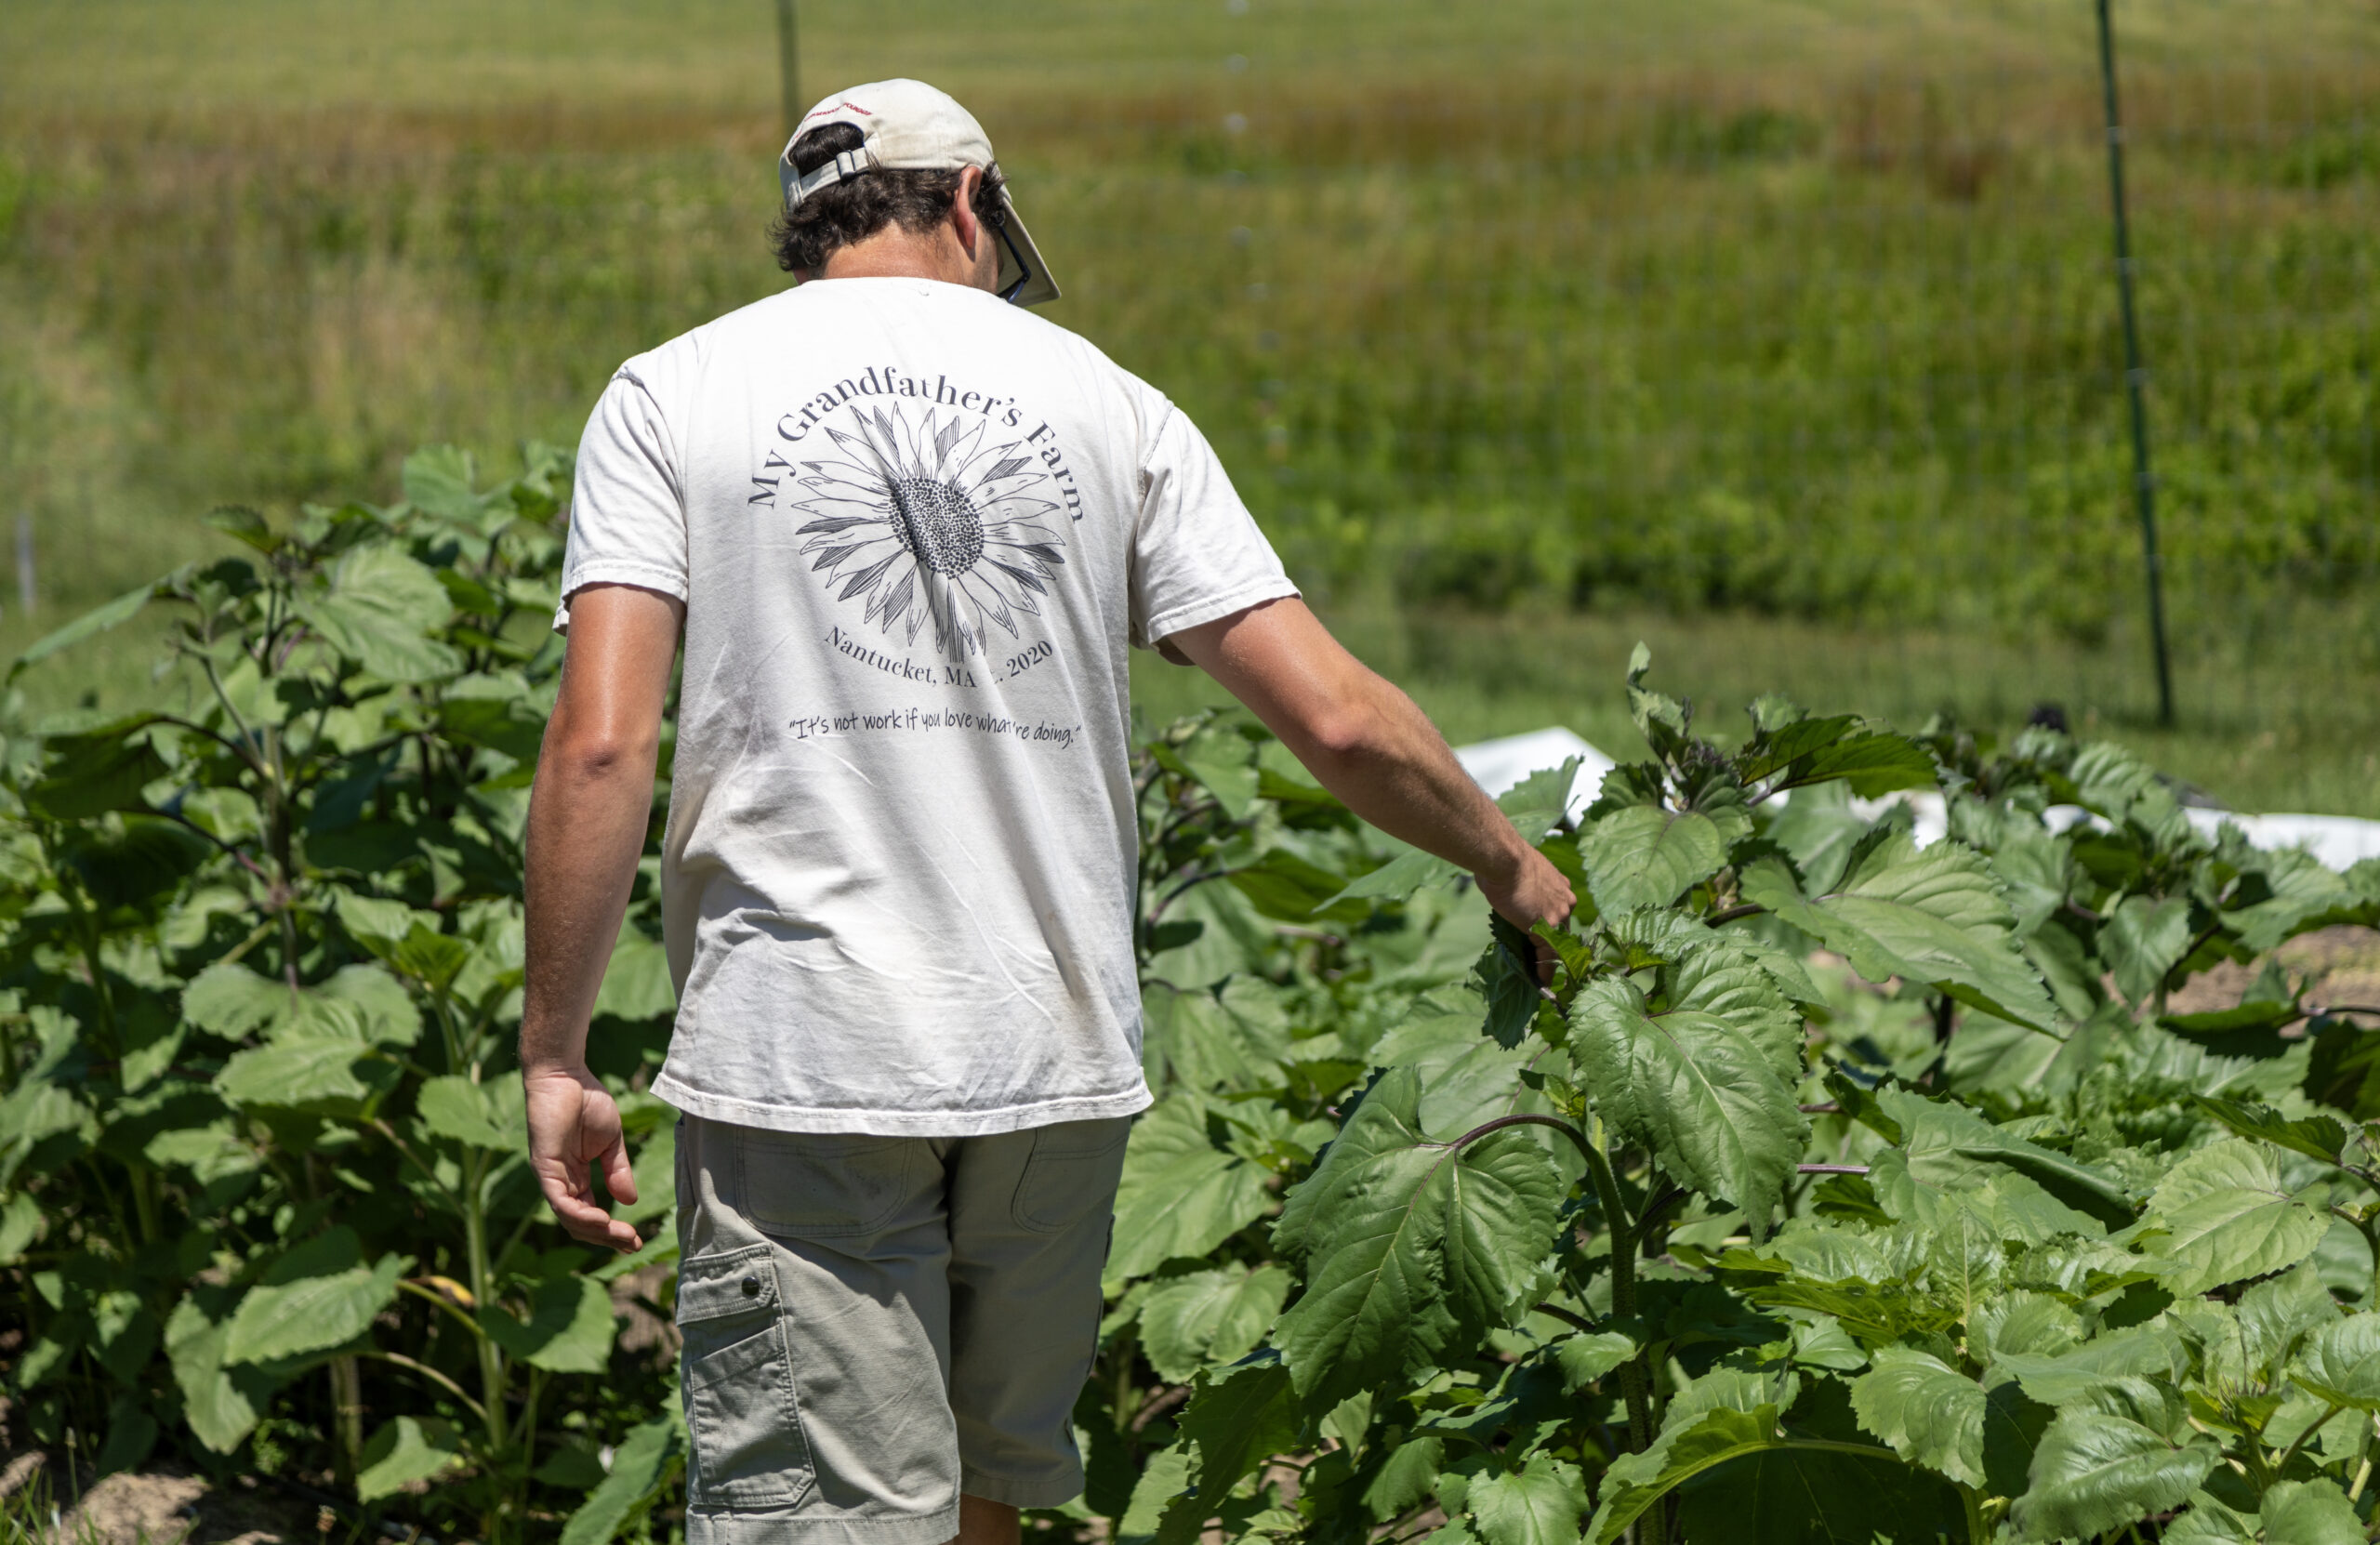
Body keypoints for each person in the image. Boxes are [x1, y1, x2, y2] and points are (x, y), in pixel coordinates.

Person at [519, 78, 1572, 1545]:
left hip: (809, 1053)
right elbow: (1333, 714)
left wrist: (557, 1048)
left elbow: (599, 744)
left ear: (811, 227)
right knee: (985, 1498)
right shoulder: (1107, 402)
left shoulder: (673, 390)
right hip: (1050, 1046)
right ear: (970, 203)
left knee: (825, 1518)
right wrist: (1514, 865)